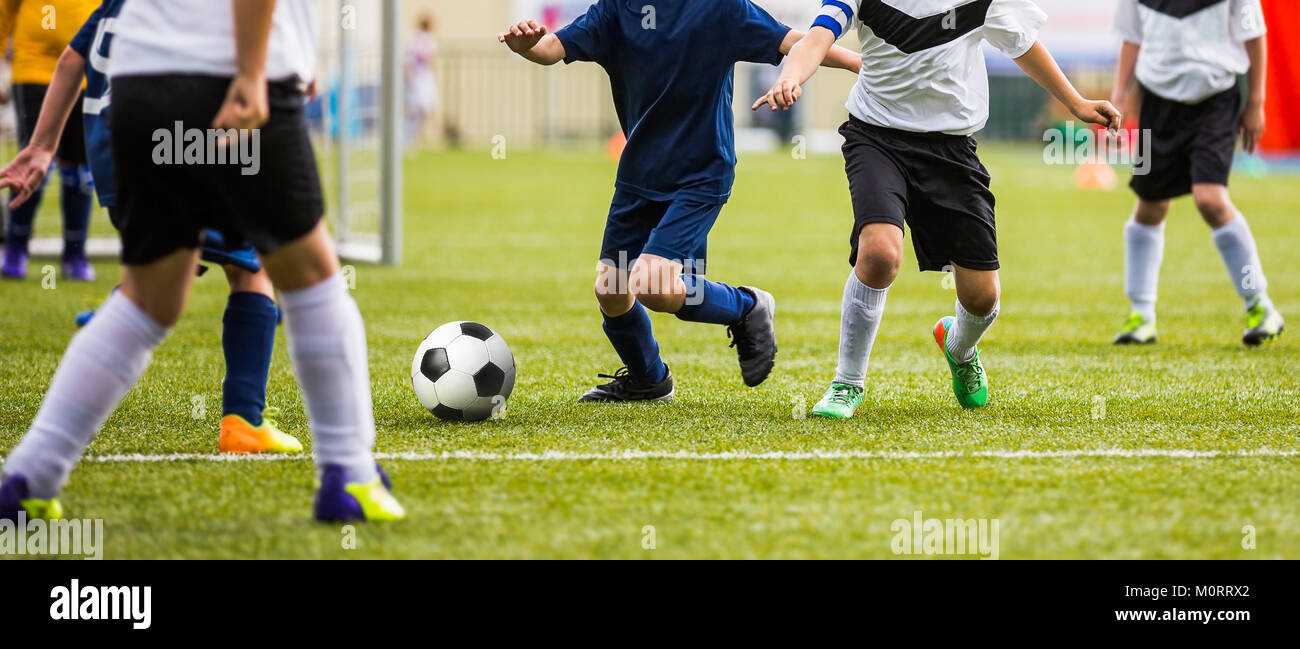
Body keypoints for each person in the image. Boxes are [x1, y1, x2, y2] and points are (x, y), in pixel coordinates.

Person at [0, 0, 404, 523]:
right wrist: (252, 72)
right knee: (311, 279)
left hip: (140, 84)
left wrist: (41, 144)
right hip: (227, 71)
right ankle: (349, 476)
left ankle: (28, 480)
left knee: (148, 301)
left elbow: (80, 54)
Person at [755, 0, 1119, 418]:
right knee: (878, 255)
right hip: (876, 138)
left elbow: (1022, 43)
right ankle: (847, 383)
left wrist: (1076, 103)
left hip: (952, 150)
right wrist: (791, 76)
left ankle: (960, 348)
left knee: (982, 298)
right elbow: (816, 38)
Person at [498, 0, 861, 402]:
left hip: (701, 173)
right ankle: (649, 380)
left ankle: (746, 306)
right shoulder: (617, 11)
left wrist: (854, 63)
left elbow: (797, 42)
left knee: (652, 285)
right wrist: (527, 46)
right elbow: (552, 49)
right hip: (640, 175)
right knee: (612, 290)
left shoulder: (721, 10)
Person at [0, 0, 302, 456]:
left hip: (113, 154)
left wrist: (42, 147)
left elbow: (69, 61)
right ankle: (243, 420)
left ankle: (104, 336)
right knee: (252, 265)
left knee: (154, 273)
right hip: (179, 139)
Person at [1110, 0, 1282, 346]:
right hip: (1158, 105)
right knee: (1150, 206)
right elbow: (1132, 38)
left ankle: (1259, 305)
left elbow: (1255, 35)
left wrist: (1256, 102)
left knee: (1211, 199)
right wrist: (1120, 95)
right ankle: (1141, 314)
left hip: (1215, 101)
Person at [0, 0, 99, 281]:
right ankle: (15, 248)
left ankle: (75, 253)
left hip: (86, 71)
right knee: (32, 161)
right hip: (35, 68)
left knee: (80, 168)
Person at [404, 13, 439, 149]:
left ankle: (416, 138)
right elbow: (429, 60)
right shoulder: (422, 39)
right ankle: (408, 139)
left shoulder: (415, 38)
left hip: (420, 79)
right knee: (416, 111)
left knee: (424, 110)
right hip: (419, 80)